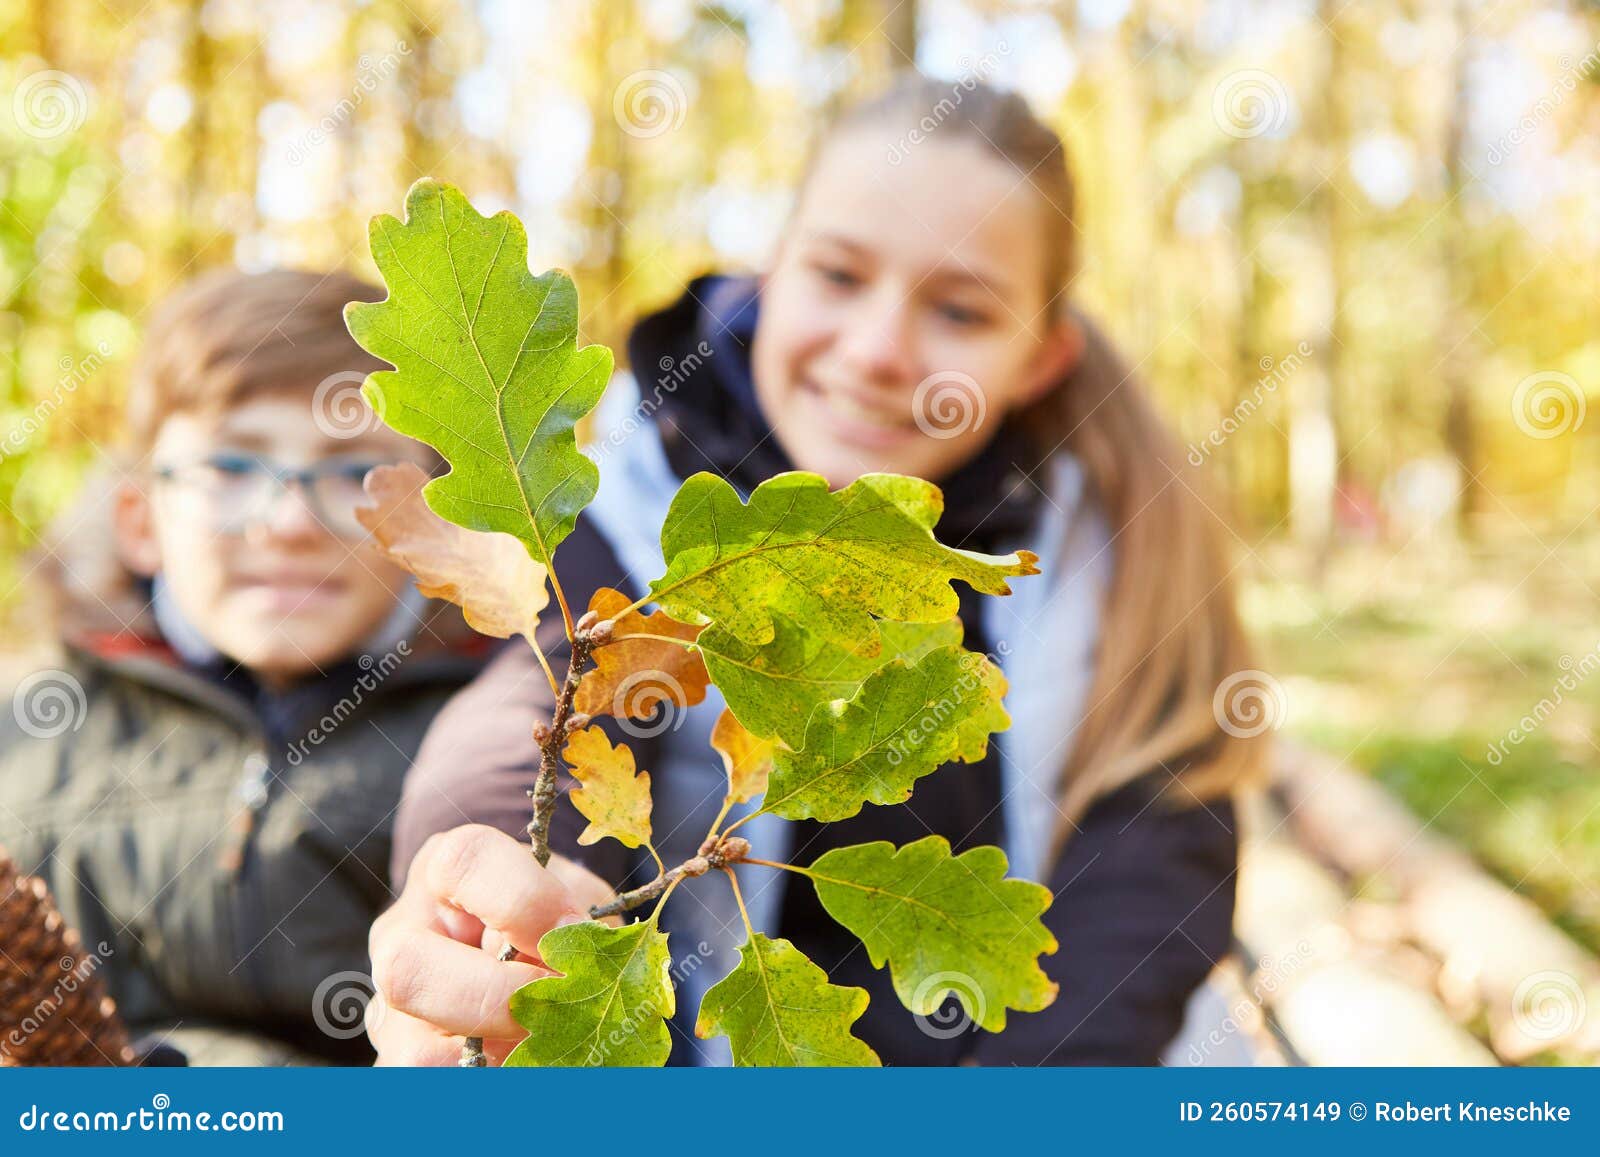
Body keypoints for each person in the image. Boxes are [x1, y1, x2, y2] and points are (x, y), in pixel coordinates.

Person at [368, 76, 1268, 1066]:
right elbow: (527, 710)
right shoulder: (621, 501)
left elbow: (1155, 867)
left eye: (960, 311)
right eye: (837, 276)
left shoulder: (1122, 558)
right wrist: (484, 889)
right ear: (770, 276)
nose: (878, 350)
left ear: (1039, 359)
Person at [0, 270, 485, 1065]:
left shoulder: (494, 736)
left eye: (353, 471)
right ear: (139, 520)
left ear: (429, 518)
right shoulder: (30, 732)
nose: (290, 522)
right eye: (231, 468)